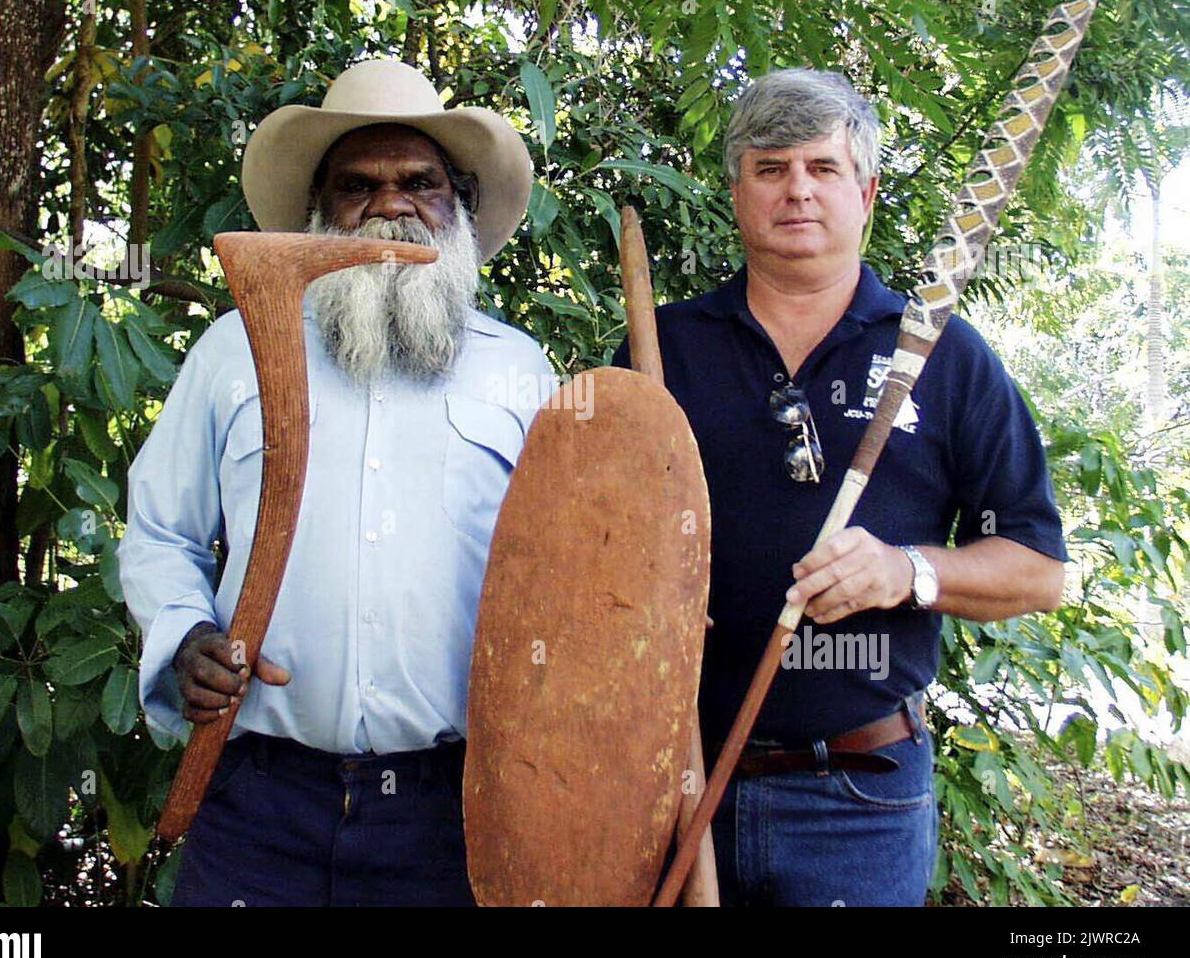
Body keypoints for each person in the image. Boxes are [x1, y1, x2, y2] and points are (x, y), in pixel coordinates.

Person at [614, 67, 1067, 906]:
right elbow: (587, 542)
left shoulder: (942, 355)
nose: (797, 191)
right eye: (771, 167)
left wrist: (909, 572)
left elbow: (1038, 568)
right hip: (669, 781)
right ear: (737, 189)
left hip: (859, 798)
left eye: (822, 169)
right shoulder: (660, 349)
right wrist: (633, 592)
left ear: (867, 191)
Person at [119, 59, 555, 906]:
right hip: (257, 800)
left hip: (455, 810)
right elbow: (161, 531)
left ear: (459, 203)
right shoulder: (233, 352)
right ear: (320, 212)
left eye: (420, 183)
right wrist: (182, 637)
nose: (391, 205)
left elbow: (564, 582)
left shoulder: (522, 373)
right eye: (358, 186)